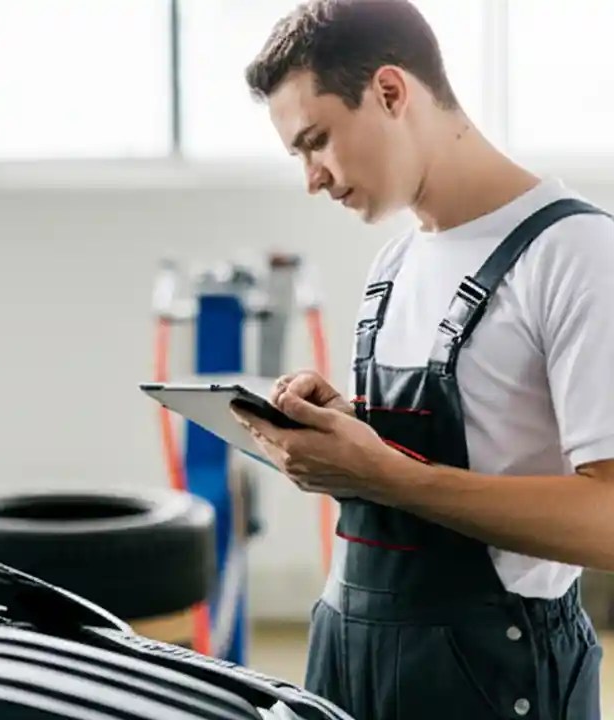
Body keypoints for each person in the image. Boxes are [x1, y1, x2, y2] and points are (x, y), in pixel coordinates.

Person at [233, 1, 614, 718]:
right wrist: (346, 432)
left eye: (317, 142)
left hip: (493, 678)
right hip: (350, 658)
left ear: (389, 92)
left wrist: (388, 476)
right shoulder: (396, 261)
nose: (312, 178)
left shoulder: (576, 255)